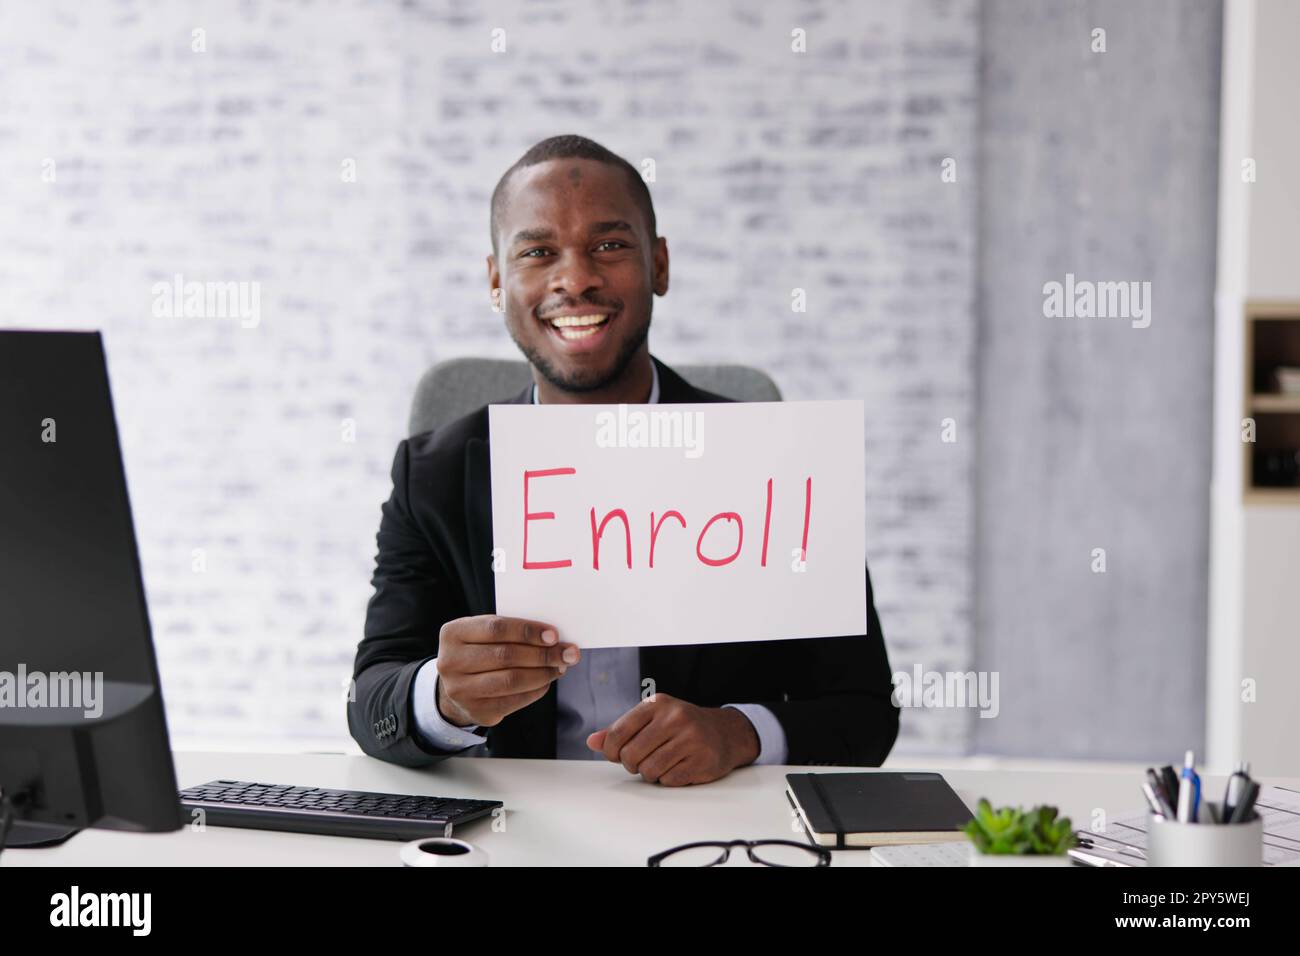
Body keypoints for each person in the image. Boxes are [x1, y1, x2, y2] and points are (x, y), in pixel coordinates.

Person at [347, 134, 898, 785]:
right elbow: (369, 702)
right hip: (518, 832)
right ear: (497, 280)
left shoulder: (779, 461)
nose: (575, 278)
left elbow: (866, 714)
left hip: (713, 827)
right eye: (537, 252)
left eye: (609, 245)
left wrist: (741, 732)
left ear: (659, 265)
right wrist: (442, 695)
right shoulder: (432, 475)